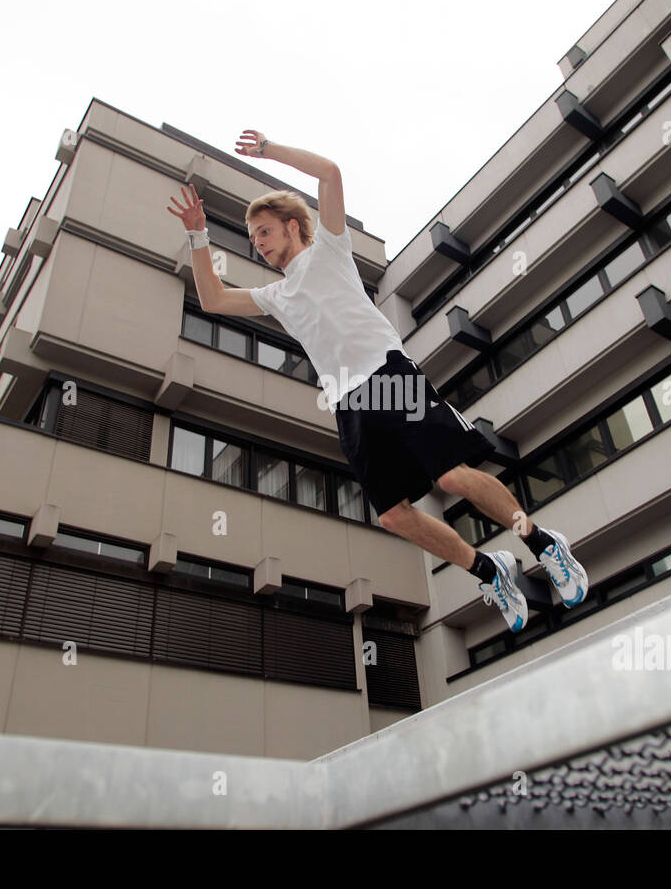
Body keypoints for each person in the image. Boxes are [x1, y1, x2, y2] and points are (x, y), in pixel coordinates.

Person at [164, 129, 590, 631]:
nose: (257, 243)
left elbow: (329, 174)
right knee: (392, 514)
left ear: (293, 226)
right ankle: (488, 570)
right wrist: (198, 235)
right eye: (252, 236)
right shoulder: (275, 296)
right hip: (348, 403)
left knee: (451, 476)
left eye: (264, 231)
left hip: (388, 375)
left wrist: (269, 150)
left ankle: (541, 542)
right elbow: (212, 299)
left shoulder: (329, 249)